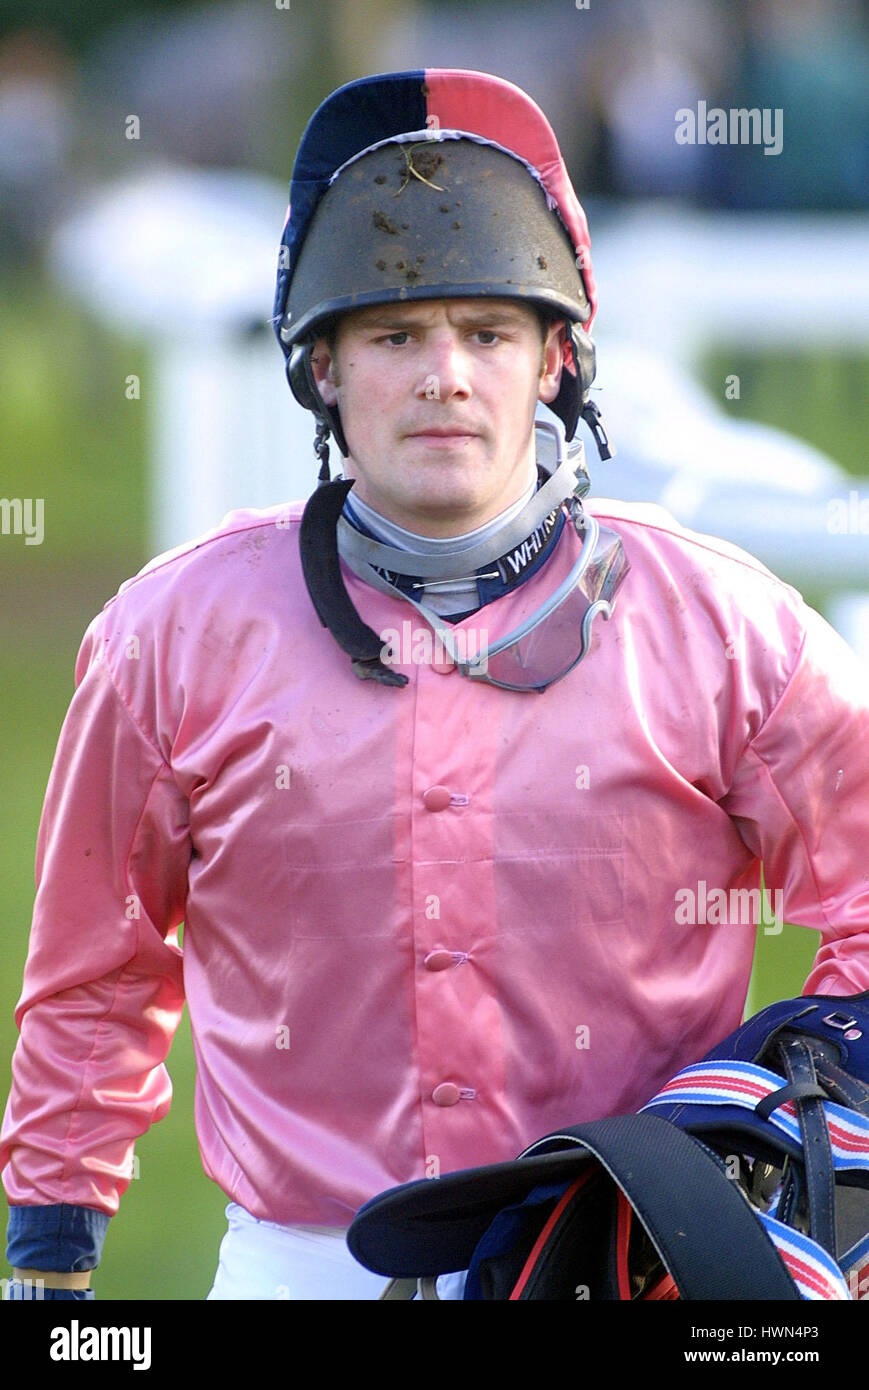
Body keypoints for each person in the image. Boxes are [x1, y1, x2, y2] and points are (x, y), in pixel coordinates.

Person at [3, 68, 869, 1302]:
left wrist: (783, 1116)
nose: (444, 375)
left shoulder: (728, 630)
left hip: (626, 1258)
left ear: (555, 357)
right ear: (321, 371)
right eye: (395, 335)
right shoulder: (166, 637)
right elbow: (100, 960)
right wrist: (51, 1254)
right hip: (294, 1267)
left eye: (487, 331)